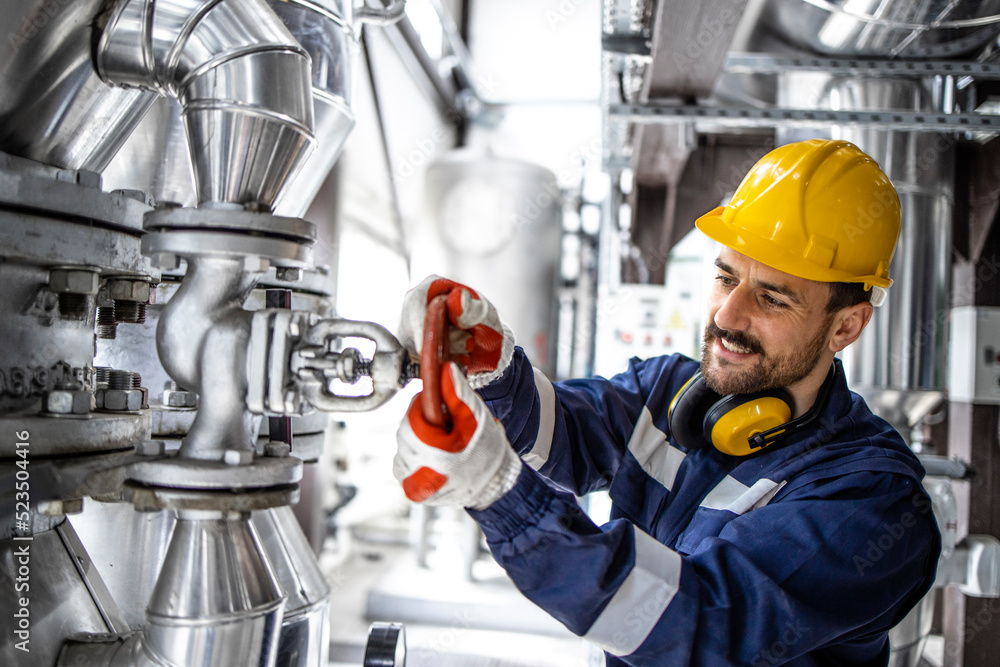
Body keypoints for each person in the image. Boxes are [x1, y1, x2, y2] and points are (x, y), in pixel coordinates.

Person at [392, 138, 941, 666]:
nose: (727, 317)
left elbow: (693, 625)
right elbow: (563, 433)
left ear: (846, 326)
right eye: (727, 278)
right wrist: (491, 367)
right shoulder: (675, 393)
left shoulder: (871, 499)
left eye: (771, 298)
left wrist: (501, 494)